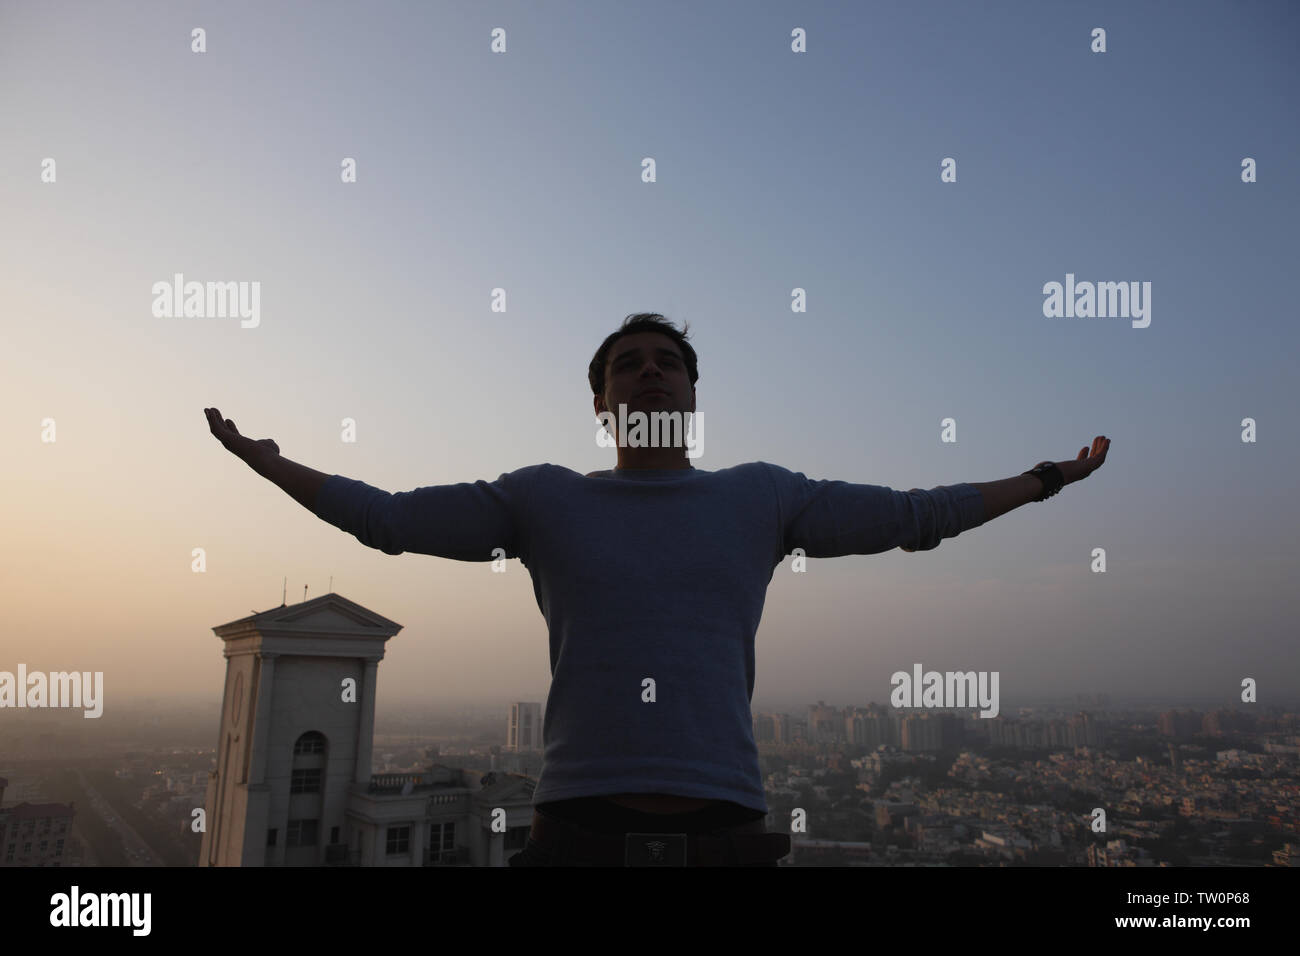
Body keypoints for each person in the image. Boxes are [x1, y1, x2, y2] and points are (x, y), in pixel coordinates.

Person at [204, 312, 1110, 866]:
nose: (647, 370)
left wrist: (1041, 479)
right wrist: (277, 467)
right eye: (626, 364)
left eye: (664, 361)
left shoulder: (760, 495)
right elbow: (393, 520)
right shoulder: (543, 498)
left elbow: (916, 515)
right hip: (575, 827)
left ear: (690, 392)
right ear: (601, 402)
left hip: (727, 823)